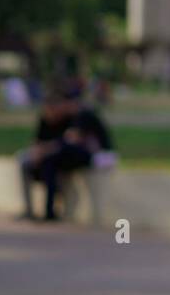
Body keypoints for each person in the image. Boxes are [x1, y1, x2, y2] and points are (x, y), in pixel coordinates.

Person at [17, 85, 114, 221]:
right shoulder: (63, 117)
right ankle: (46, 211)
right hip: (86, 155)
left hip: (102, 157)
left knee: (51, 159)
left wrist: (45, 151)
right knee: (46, 161)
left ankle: (50, 211)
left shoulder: (82, 115)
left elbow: (71, 140)